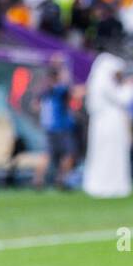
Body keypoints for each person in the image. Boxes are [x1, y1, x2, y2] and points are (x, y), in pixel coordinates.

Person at [82, 53, 133, 198]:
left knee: (104, 153)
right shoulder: (103, 81)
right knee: (109, 154)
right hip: (110, 123)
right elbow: (122, 99)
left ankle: (106, 184)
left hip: (102, 124)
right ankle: (108, 185)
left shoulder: (96, 81)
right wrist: (130, 88)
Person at [36, 58, 78, 190]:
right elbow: (70, 89)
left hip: (48, 128)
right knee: (69, 154)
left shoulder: (44, 91)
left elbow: (35, 106)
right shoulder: (59, 89)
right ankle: (62, 180)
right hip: (61, 127)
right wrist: (64, 65)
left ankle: (38, 180)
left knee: (47, 154)